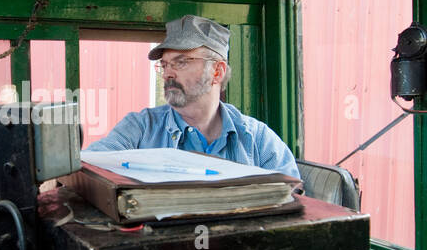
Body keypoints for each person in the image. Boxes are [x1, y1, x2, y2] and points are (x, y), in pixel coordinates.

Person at [85, 15, 300, 177]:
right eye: (165, 65)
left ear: (217, 72)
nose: (168, 73)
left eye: (181, 62)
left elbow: (293, 199)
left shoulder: (258, 140)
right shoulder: (140, 128)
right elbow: (88, 167)